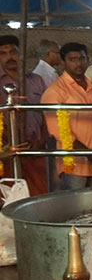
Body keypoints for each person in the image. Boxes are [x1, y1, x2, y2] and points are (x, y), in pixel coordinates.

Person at [42, 42, 92, 189]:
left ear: (88, 60)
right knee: (74, 207)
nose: (78, 63)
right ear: (63, 61)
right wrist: (86, 153)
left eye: (82, 58)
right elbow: (57, 130)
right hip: (74, 162)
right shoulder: (55, 91)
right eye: (73, 59)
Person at [0, 35, 48, 194]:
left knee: (37, 196)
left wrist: (41, 141)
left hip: (34, 149)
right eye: (3, 53)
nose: (9, 57)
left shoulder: (36, 80)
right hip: (6, 152)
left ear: (21, 54)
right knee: (9, 198)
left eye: (13, 52)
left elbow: (46, 114)